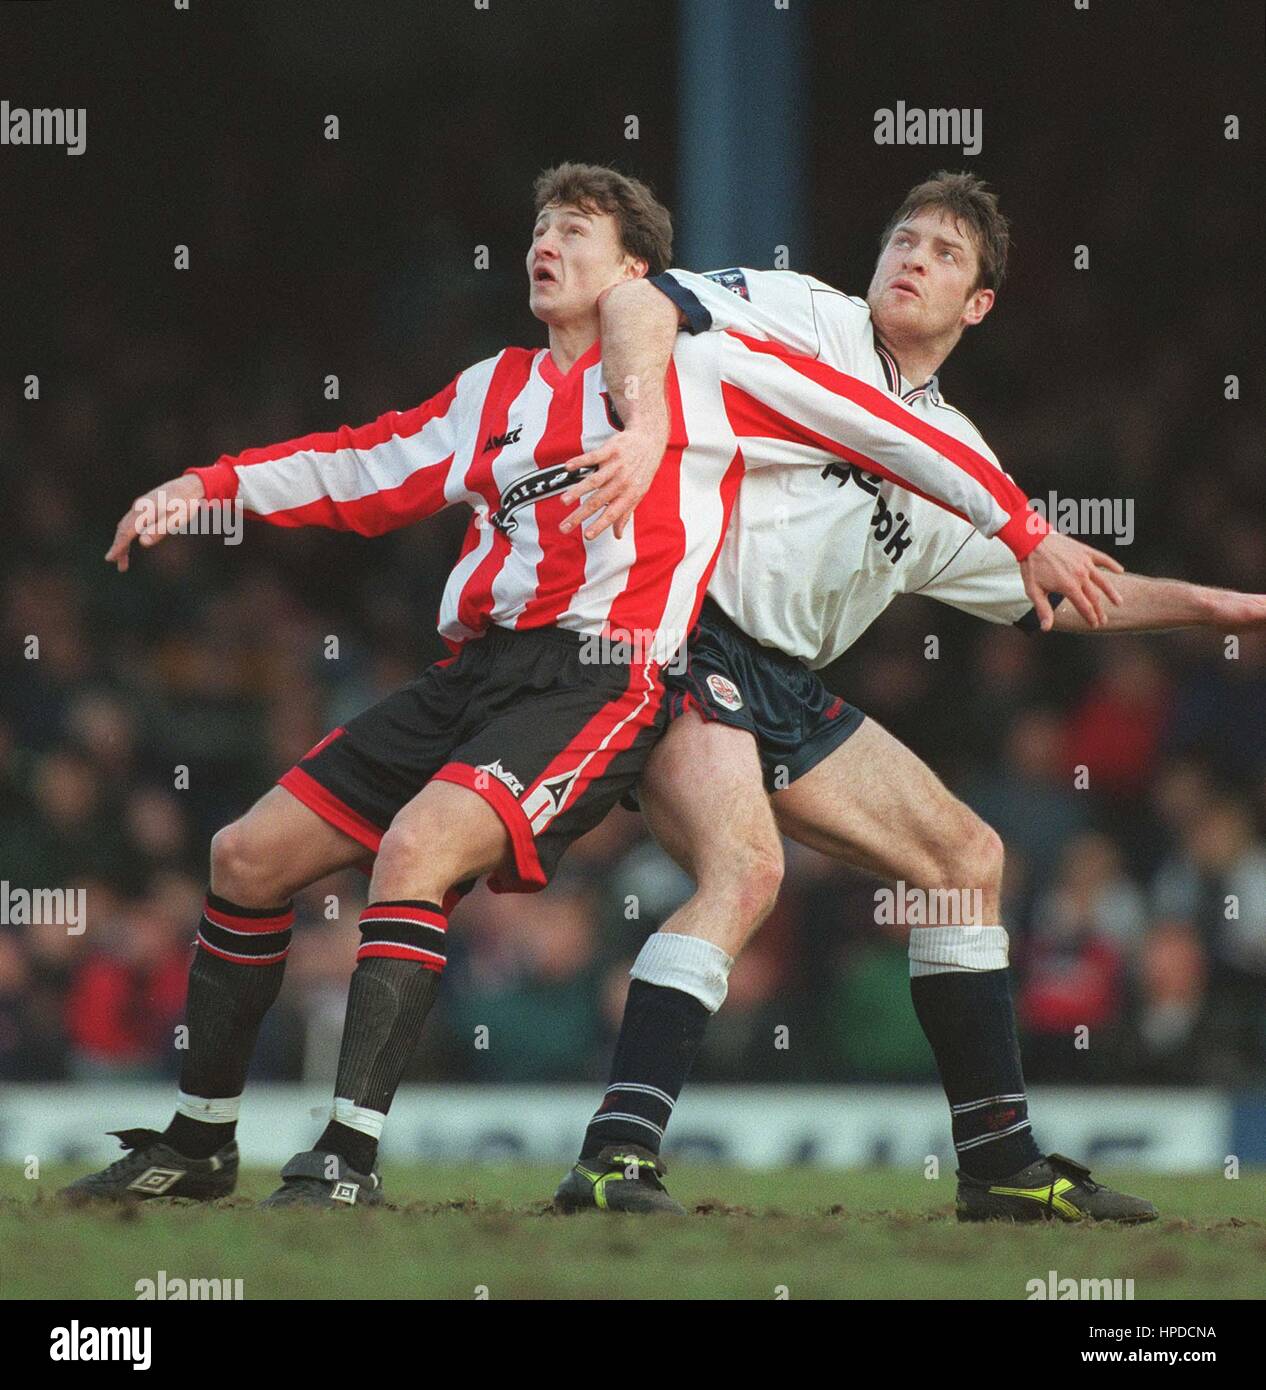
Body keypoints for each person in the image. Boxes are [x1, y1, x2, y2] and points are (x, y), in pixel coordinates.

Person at [63, 163, 1077, 1208]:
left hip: (602, 670)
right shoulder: (491, 389)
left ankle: (347, 1157)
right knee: (244, 854)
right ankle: (200, 1142)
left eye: (575, 231)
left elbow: (895, 432)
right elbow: (362, 468)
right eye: (540, 228)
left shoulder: (706, 371)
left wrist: (1026, 528)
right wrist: (209, 484)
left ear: (636, 269)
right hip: (479, 668)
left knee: (421, 851)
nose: (545, 245)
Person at [552, 171, 1266, 1221]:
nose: (912, 259)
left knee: (966, 858)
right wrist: (652, 421)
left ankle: (999, 1163)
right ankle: (616, 1154)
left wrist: (1218, 606)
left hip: (780, 682)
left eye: (944, 253)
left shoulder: (957, 457)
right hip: (679, 632)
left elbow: (1063, 600)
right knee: (746, 869)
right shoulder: (808, 313)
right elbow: (641, 299)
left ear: (978, 304)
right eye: (902, 239)